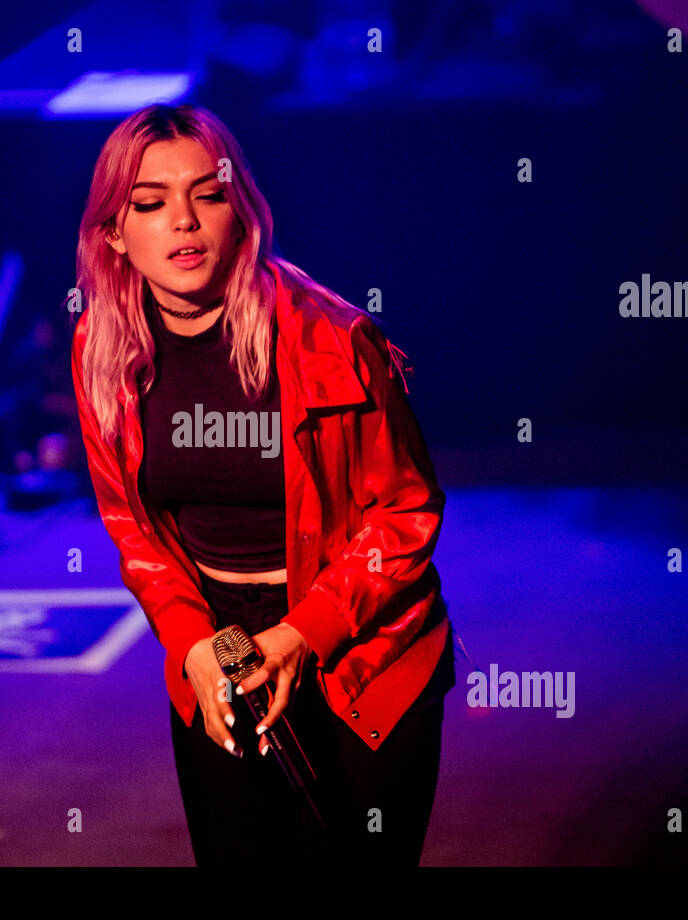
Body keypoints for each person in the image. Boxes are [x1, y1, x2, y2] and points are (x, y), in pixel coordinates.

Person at [69, 103, 455, 866]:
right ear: (115, 234)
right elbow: (132, 530)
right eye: (150, 203)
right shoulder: (101, 348)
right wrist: (194, 646)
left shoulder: (333, 340)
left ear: (240, 212)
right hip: (221, 648)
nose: (183, 222)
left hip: (364, 649)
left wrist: (300, 636)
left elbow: (406, 512)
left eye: (206, 195)